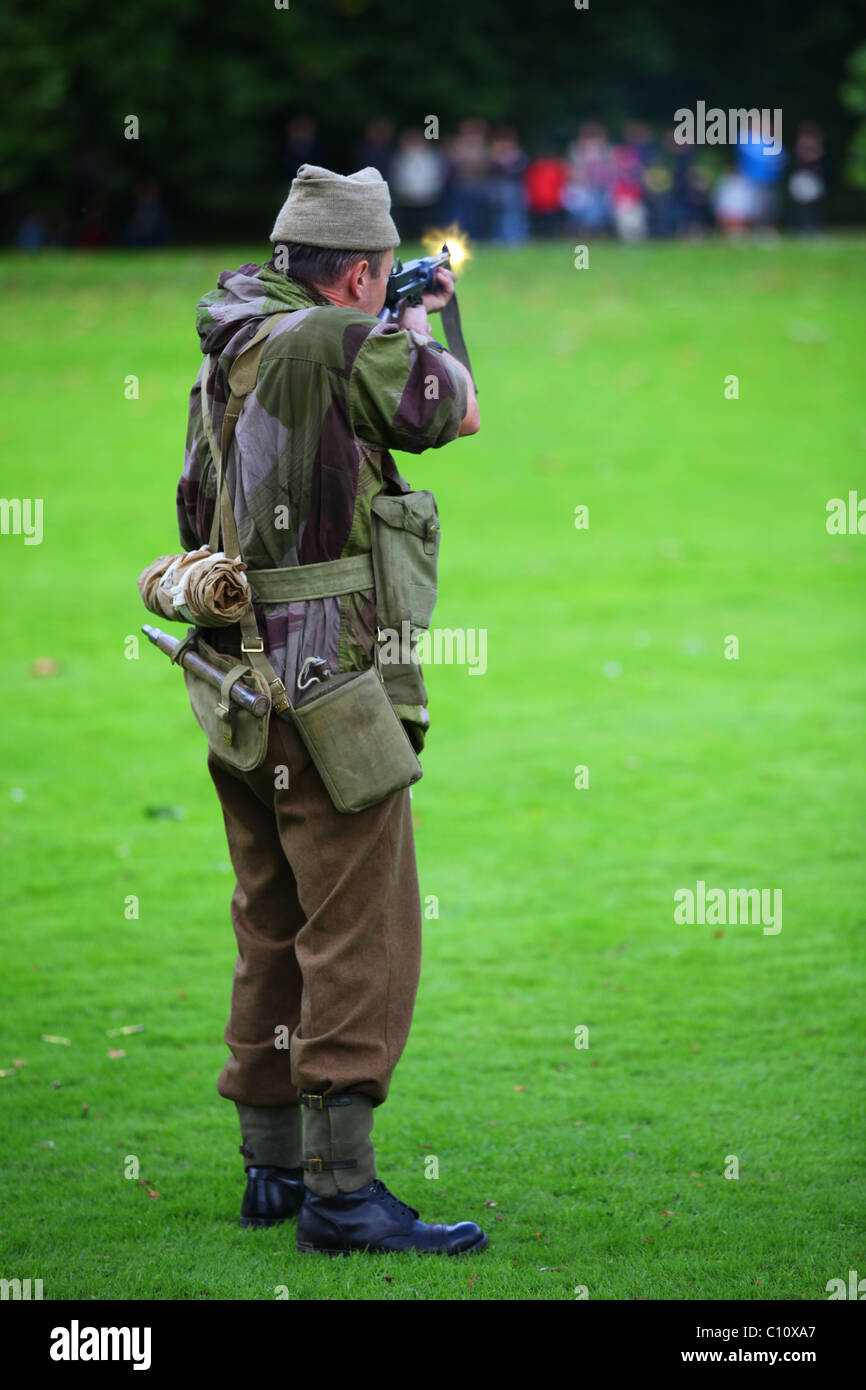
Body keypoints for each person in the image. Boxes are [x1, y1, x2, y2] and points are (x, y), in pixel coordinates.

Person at [175, 163, 486, 1257]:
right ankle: (343, 1194)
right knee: (359, 926)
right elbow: (457, 407)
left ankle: (267, 1162)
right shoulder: (329, 341)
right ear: (356, 271)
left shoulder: (239, 333)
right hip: (326, 686)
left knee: (271, 916)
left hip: (234, 680)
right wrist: (419, 329)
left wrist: (385, 321)